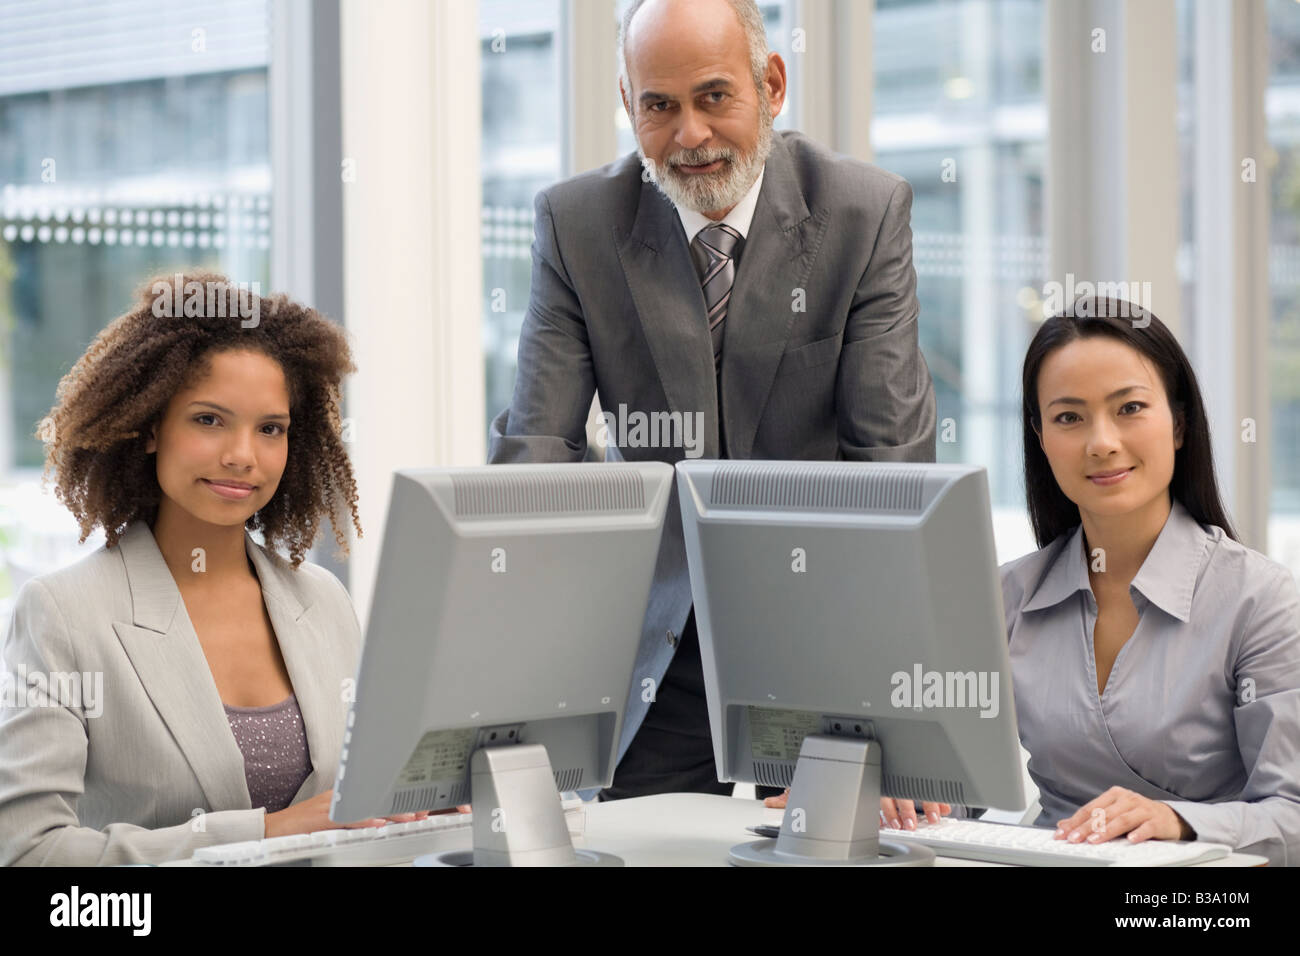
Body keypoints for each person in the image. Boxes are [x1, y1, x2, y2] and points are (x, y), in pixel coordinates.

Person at [489, 0, 936, 801]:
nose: (689, 134)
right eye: (659, 106)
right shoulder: (577, 223)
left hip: (827, 627)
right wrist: (508, 694)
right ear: (629, 107)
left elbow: (891, 475)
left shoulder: (863, 214)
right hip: (662, 642)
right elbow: (538, 455)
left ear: (771, 85)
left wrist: (873, 709)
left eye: (713, 96)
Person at [770, 297, 1300, 862]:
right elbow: (957, 790)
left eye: (1130, 408)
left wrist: (1176, 821)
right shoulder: (1005, 598)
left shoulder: (1260, 602)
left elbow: (1290, 814)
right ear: (1041, 438)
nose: (1101, 442)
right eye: (1069, 417)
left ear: (1179, 424)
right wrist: (902, 795)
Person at [0, 272, 438, 866]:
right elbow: (29, 852)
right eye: (209, 420)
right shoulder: (63, 613)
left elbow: (347, 808)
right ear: (152, 426)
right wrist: (268, 832)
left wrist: (419, 808)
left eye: (270, 429)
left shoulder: (323, 600)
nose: (243, 456)